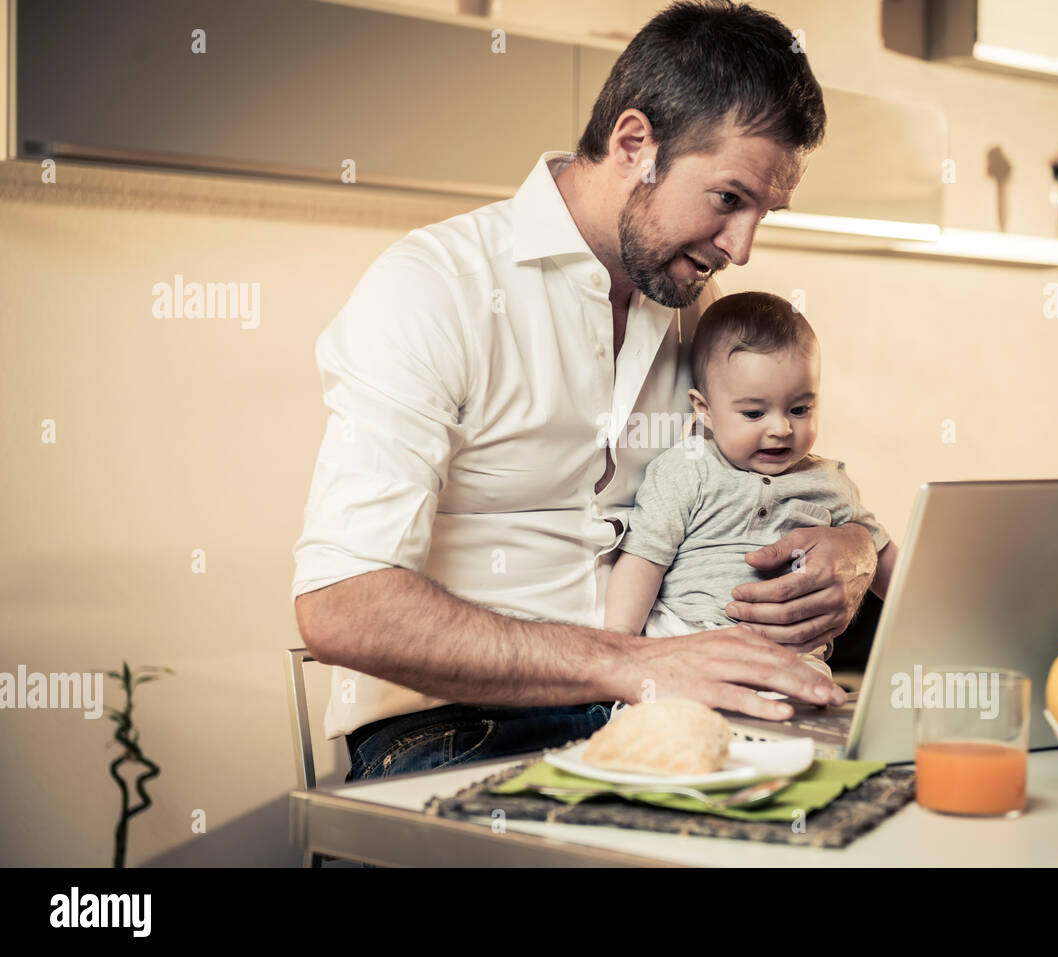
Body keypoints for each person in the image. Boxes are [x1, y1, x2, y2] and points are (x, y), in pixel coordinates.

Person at [292, 0, 897, 783]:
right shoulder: (433, 288)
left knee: (882, 804)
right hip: (456, 730)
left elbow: (755, 475)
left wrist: (851, 550)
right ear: (634, 143)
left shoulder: (686, 305)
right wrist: (633, 663)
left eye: (762, 213)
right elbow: (342, 602)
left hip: (658, 712)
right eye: (728, 199)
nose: (742, 249)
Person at [603, 292, 896, 684]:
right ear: (704, 409)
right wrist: (618, 649)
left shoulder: (829, 484)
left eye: (800, 409)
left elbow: (884, 559)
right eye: (754, 413)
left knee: (811, 712)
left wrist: (936, 623)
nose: (781, 428)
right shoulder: (686, 470)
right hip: (686, 641)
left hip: (790, 657)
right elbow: (644, 561)